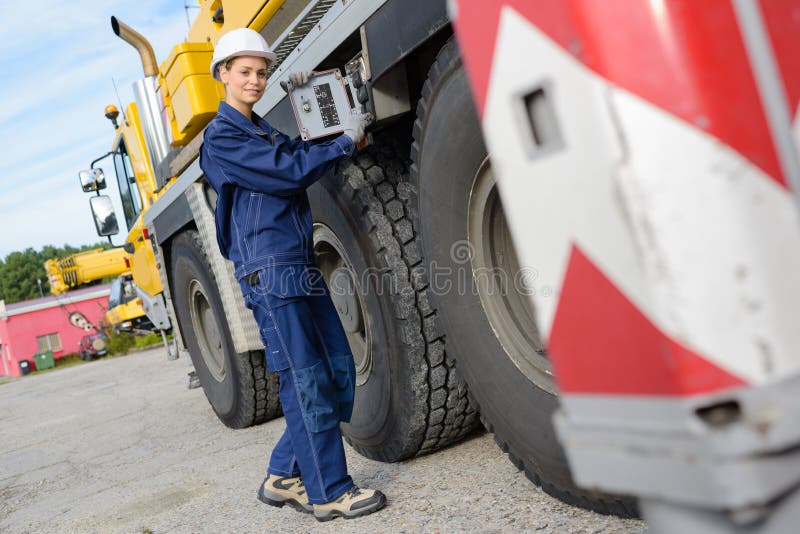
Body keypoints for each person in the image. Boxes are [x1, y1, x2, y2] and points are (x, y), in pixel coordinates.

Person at [198, 28, 385, 522]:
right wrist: (343, 141)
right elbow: (288, 169)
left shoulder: (259, 130)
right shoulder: (221, 139)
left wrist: (314, 100)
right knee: (306, 381)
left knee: (337, 369)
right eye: (245, 72)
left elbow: (304, 150)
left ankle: (284, 473)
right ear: (223, 75)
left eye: (262, 72)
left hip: (297, 265)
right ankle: (328, 491)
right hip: (270, 271)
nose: (255, 80)